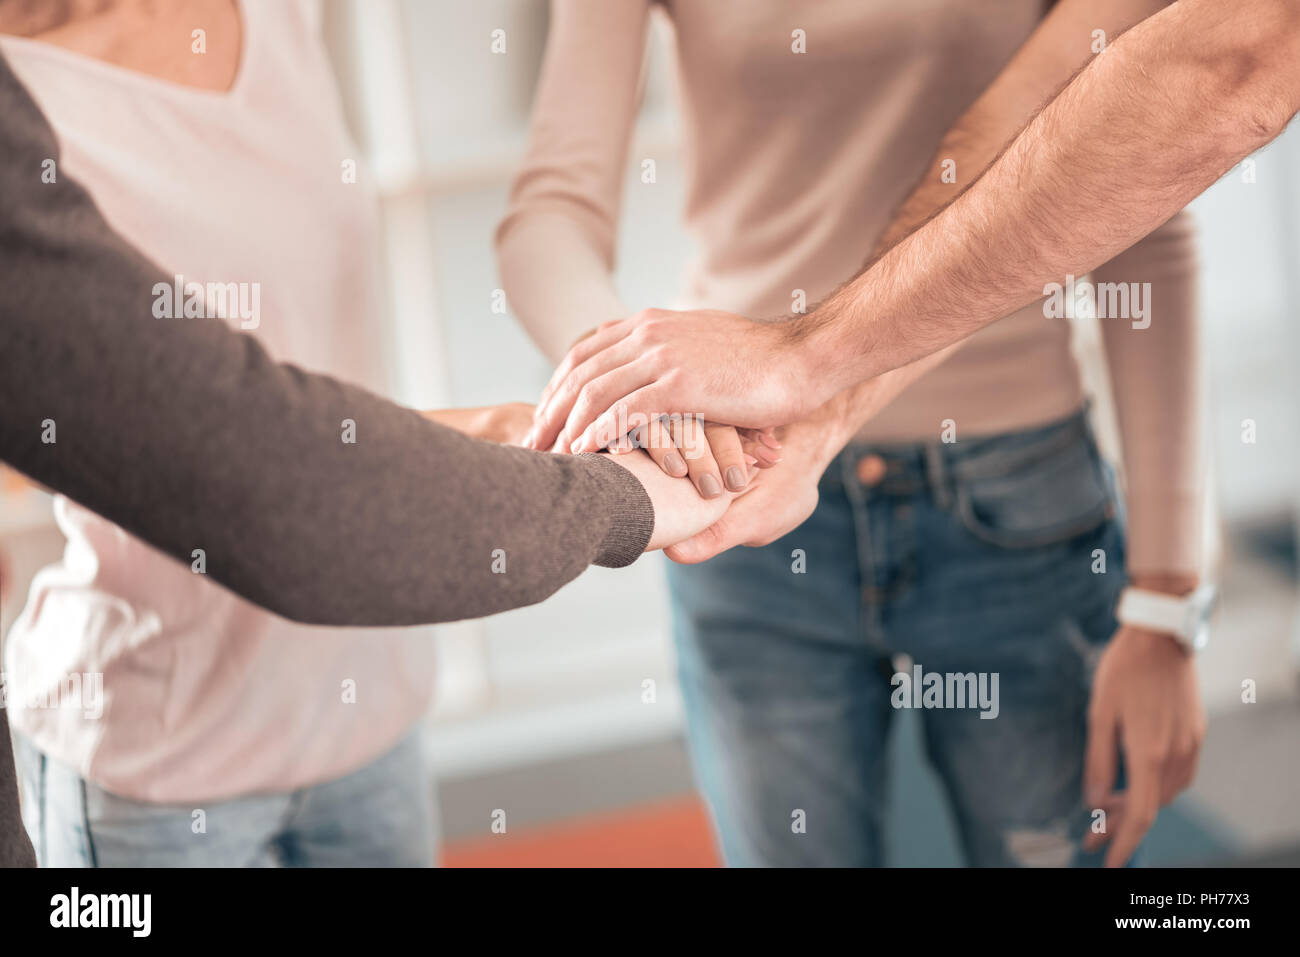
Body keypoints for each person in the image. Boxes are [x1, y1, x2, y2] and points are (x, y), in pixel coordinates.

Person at [0, 0, 761, 869]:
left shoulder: (281, 17)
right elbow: (225, 450)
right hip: (160, 755)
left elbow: (306, 398)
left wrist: (524, 424)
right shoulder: (20, 103)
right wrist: (616, 486)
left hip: (372, 709)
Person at [500, 0, 1206, 866]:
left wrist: (1166, 597)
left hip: (1018, 504)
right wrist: (636, 382)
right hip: (744, 499)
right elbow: (550, 210)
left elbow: (1142, 202)